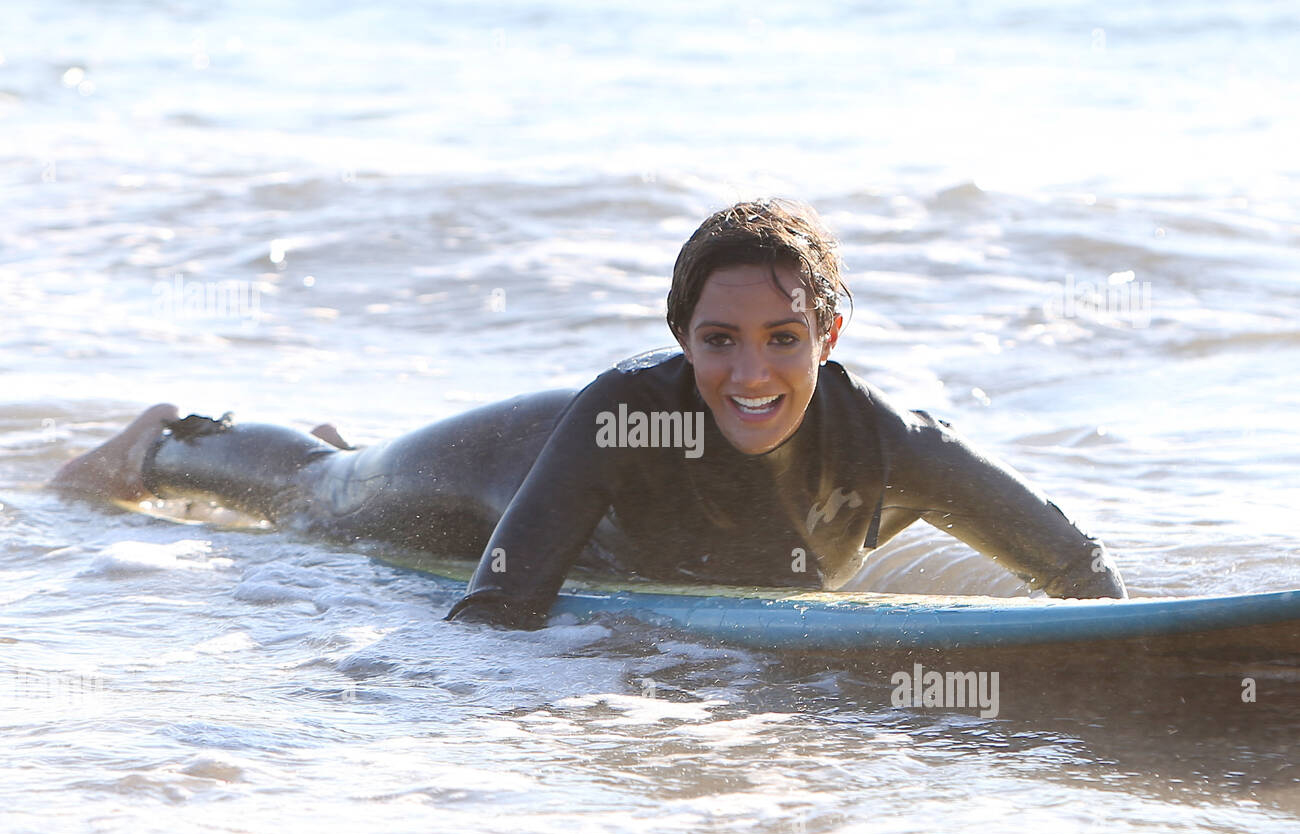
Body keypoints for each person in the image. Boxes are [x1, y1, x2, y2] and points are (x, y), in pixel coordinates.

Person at [51, 199, 1127, 627]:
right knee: (326, 498)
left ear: (828, 339)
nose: (751, 373)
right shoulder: (623, 414)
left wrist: (1110, 667)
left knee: (343, 481)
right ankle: (166, 438)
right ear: (680, 341)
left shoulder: (896, 447)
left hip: (584, 500)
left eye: (782, 339)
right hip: (516, 461)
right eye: (718, 340)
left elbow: (1074, 569)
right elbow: (501, 608)